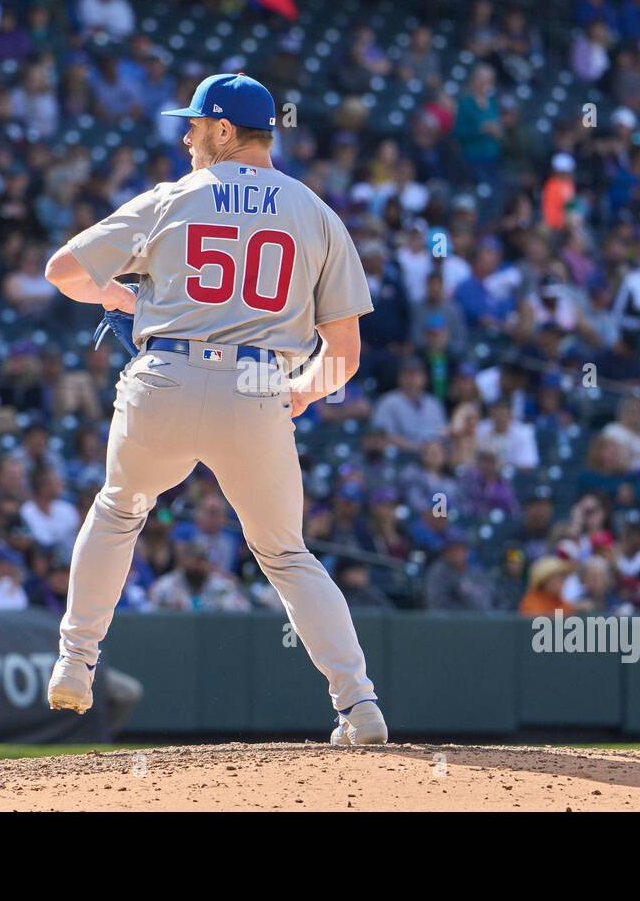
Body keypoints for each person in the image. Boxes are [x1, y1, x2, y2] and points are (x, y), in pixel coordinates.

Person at [42, 74, 386, 744]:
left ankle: (76, 664)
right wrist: (302, 393)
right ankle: (359, 705)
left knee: (119, 510)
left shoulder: (174, 197)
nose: (186, 136)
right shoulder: (314, 211)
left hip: (164, 374)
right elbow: (344, 350)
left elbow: (63, 271)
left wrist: (124, 299)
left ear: (225, 131)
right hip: (258, 386)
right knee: (286, 554)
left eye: (196, 125)